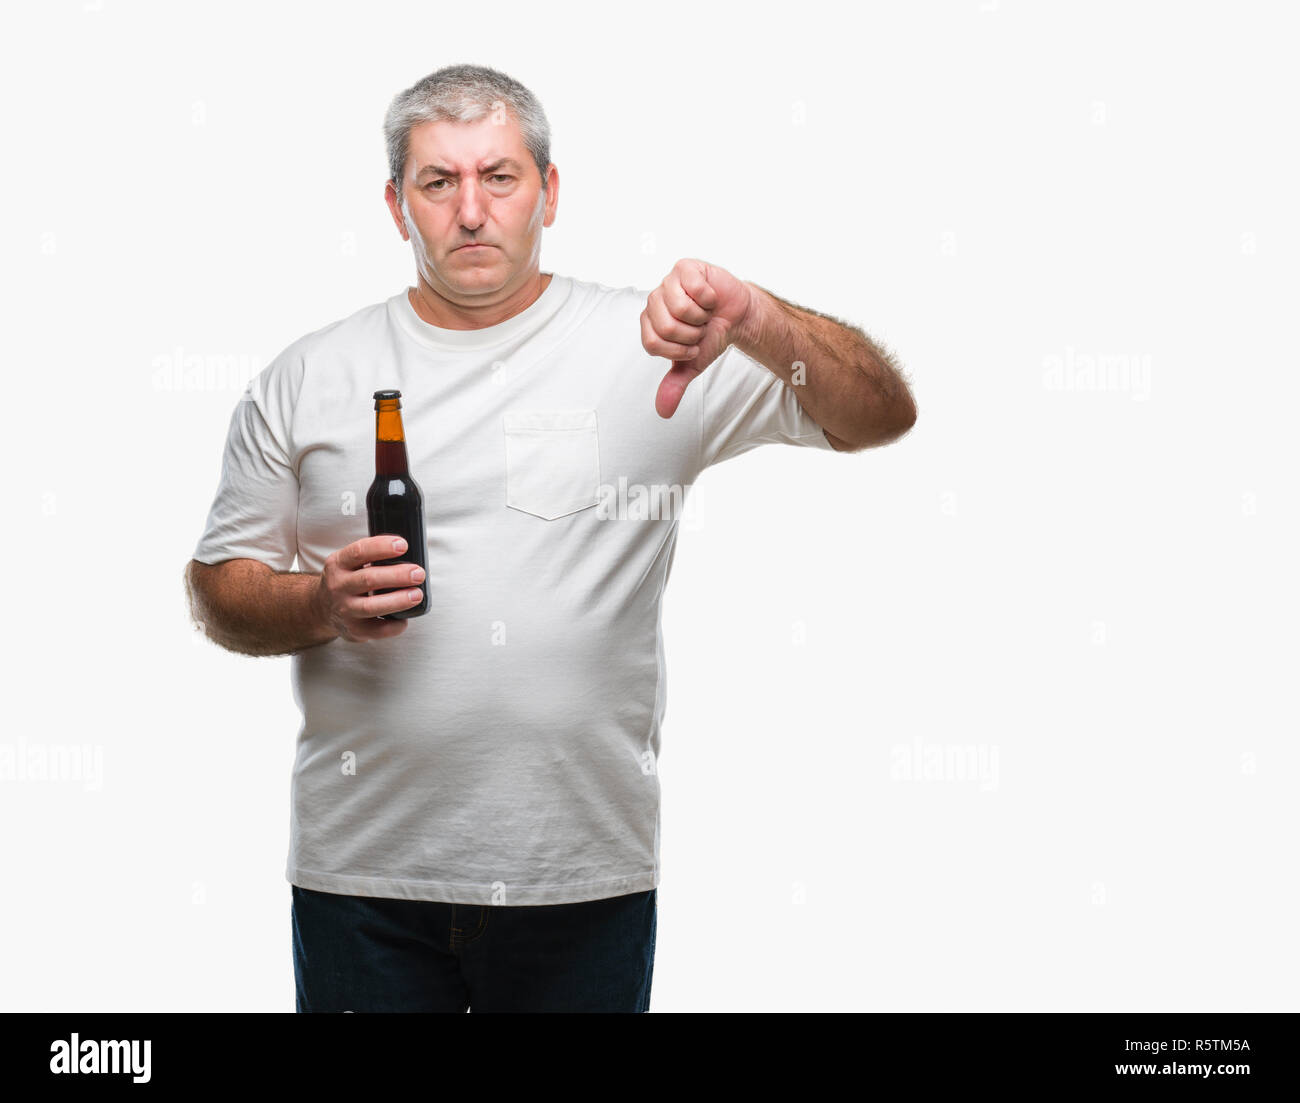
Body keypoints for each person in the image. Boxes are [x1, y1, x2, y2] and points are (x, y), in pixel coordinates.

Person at [184, 63, 917, 1014]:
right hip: (362, 881)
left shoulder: (658, 348)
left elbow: (880, 416)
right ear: (396, 205)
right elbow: (215, 590)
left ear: (550, 191)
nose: (472, 210)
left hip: (582, 880)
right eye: (438, 182)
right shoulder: (309, 374)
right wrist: (316, 602)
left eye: (500, 176)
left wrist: (763, 320)